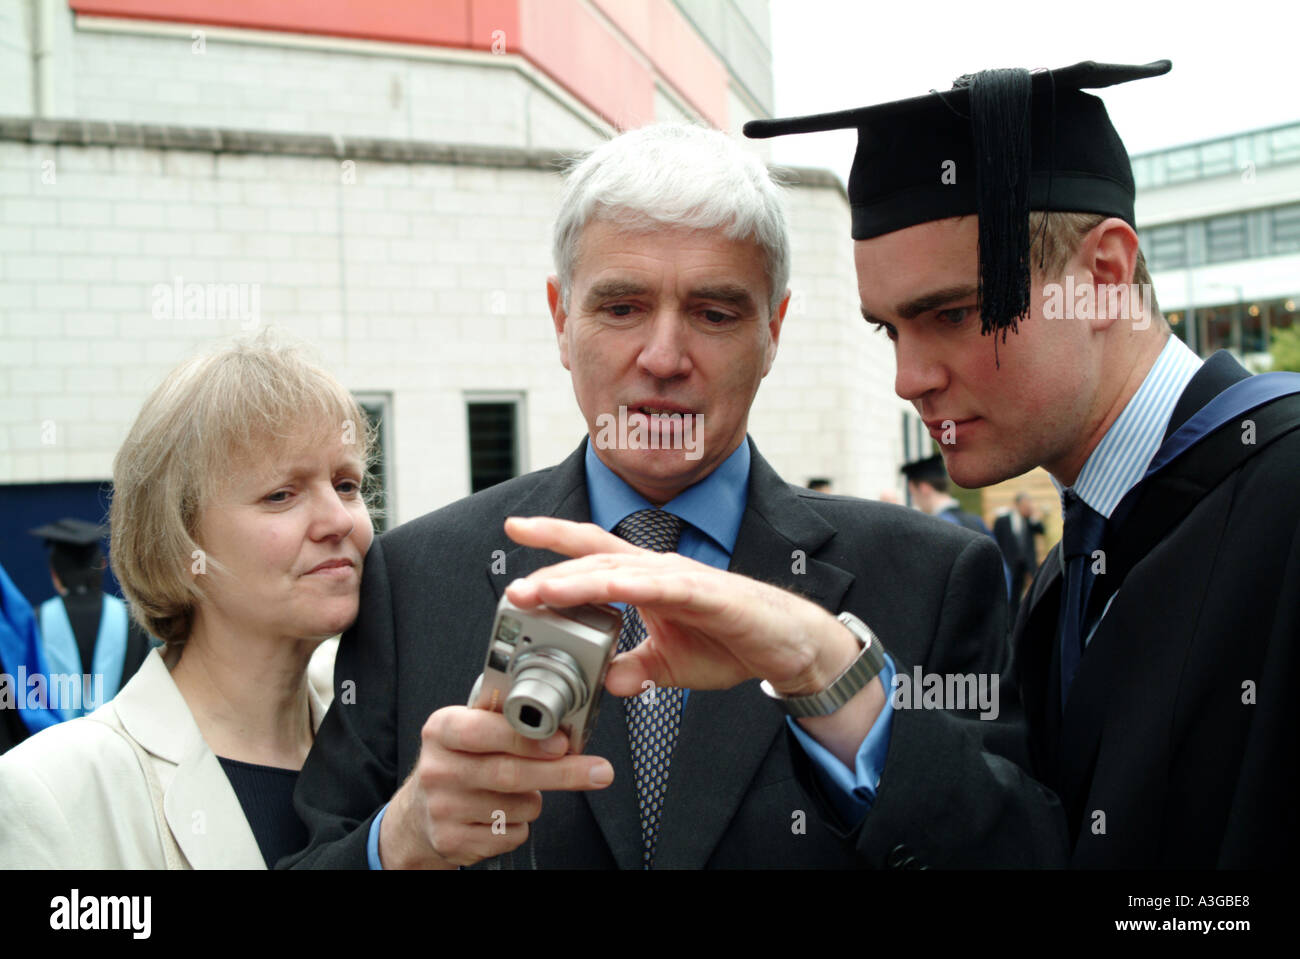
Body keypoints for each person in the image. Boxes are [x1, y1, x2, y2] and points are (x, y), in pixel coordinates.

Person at [288, 122, 1061, 870]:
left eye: (714, 313)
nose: (662, 357)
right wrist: (402, 841)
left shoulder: (932, 578)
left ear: (773, 331)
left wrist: (839, 687)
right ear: (561, 320)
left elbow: (1017, 850)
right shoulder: (413, 578)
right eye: (620, 307)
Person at [743, 59, 1300, 866]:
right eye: (889, 330)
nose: (909, 378)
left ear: (1104, 277)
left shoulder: (1282, 503)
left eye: (953, 312)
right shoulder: (1068, 575)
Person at [0, 335, 375, 868]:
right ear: (178, 542)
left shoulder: (389, 761)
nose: (339, 520)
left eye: (346, 483)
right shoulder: (54, 794)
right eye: (280, 494)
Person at [25, 518, 152, 723]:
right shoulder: (134, 622)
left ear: (54, 573)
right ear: (102, 565)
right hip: (122, 746)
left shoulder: (36, 623)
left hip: (54, 747)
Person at [900, 454, 990, 535]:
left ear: (924, 488)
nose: (914, 500)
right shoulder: (977, 521)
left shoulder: (936, 526)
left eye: (912, 493)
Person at [992, 493, 1045, 622]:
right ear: (1017, 505)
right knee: (1011, 596)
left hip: (1025, 564)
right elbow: (996, 539)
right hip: (1009, 564)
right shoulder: (1003, 520)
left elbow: (1041, 530)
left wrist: (1034, 517)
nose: (1027, 507)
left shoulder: (1029, 520)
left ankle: (1018, 622)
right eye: (1025, 505)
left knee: (1025, 594)